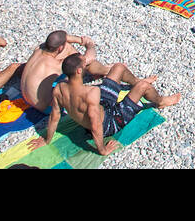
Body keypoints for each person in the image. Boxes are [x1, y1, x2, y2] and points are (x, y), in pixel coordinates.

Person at [45, 53, 180, 157]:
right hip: (110, 122)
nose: (87, 63)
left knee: (118, 67)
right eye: (84, 63)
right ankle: (161, 102)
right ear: (79, 71)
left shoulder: (59, 89)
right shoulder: (90, 93)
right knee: (144, 87)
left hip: (101, 106)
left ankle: (136, 82)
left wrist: (47, 140)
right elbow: (96, 125)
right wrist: (103, 150)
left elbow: (54, 117)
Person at [19, 31, 145, 112]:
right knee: (81, 64)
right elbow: (89, 58)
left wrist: (80, 40)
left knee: (73, 57)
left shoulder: (39, 48)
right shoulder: (54, 65)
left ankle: (104, 70)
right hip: (44, 106)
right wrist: (89, 45)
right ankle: (115, 73)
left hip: (26, 96)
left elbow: (62, 38)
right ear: (60, 48)